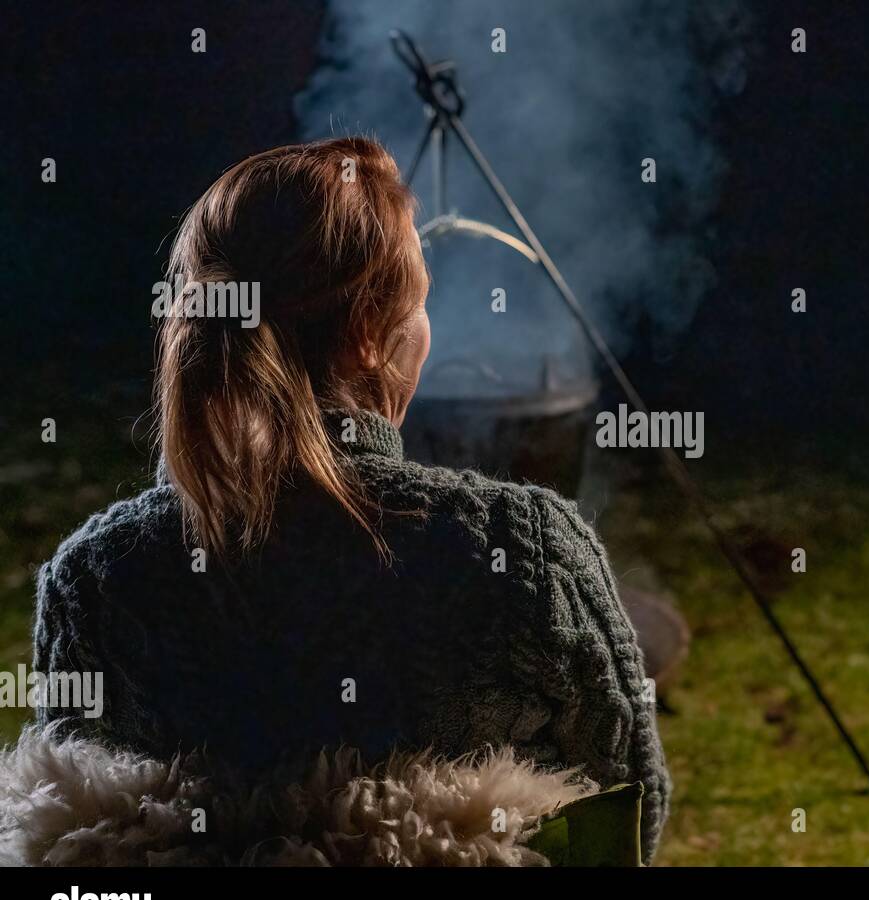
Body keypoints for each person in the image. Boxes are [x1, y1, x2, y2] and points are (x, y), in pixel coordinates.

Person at [31, 137, 669, 859]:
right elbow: (625, 811)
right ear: (371, 334)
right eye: (420, 303)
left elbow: (70, 837)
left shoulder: (97, 579)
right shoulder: (524, 550)